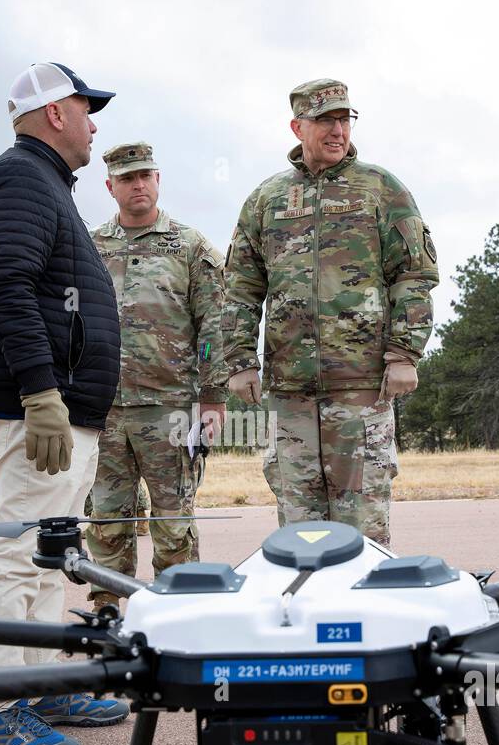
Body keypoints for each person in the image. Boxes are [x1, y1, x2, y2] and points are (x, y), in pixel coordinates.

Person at [0, 62, 129, 745]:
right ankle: (2, 708)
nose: (95, 125)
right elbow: (5, 286)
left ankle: (46, 684)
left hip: (63, 407)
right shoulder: (21, 177)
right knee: (20, 553)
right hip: (41, 408)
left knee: (46, 554)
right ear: (54, 113)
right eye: (87, 110)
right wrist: (39, 393)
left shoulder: (45, 183)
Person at [221, 79, 439, 548]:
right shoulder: (267, 199)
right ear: (298, 126)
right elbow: (240, 286)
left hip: (361, 388)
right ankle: (308, 616)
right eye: (325, 121)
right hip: (289, 392)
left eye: (344, 119)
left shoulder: (382, 189)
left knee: (362, 523)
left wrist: (405, 353)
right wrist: (239, 362)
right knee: (300, 529)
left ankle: (365, 616)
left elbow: (413, 275)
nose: (338, 130)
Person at [86, 141, 228, 611]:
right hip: (103, 409)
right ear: (110, 187)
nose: (138, 184)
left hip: (170, 407)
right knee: (107, 517)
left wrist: (212, 398)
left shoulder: (189, 247)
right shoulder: (89, 246)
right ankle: (107, 612)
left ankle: (177, 612)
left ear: (158, 179)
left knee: (173, 520)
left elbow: (214, 327)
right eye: (127, 178)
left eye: (145, 174)